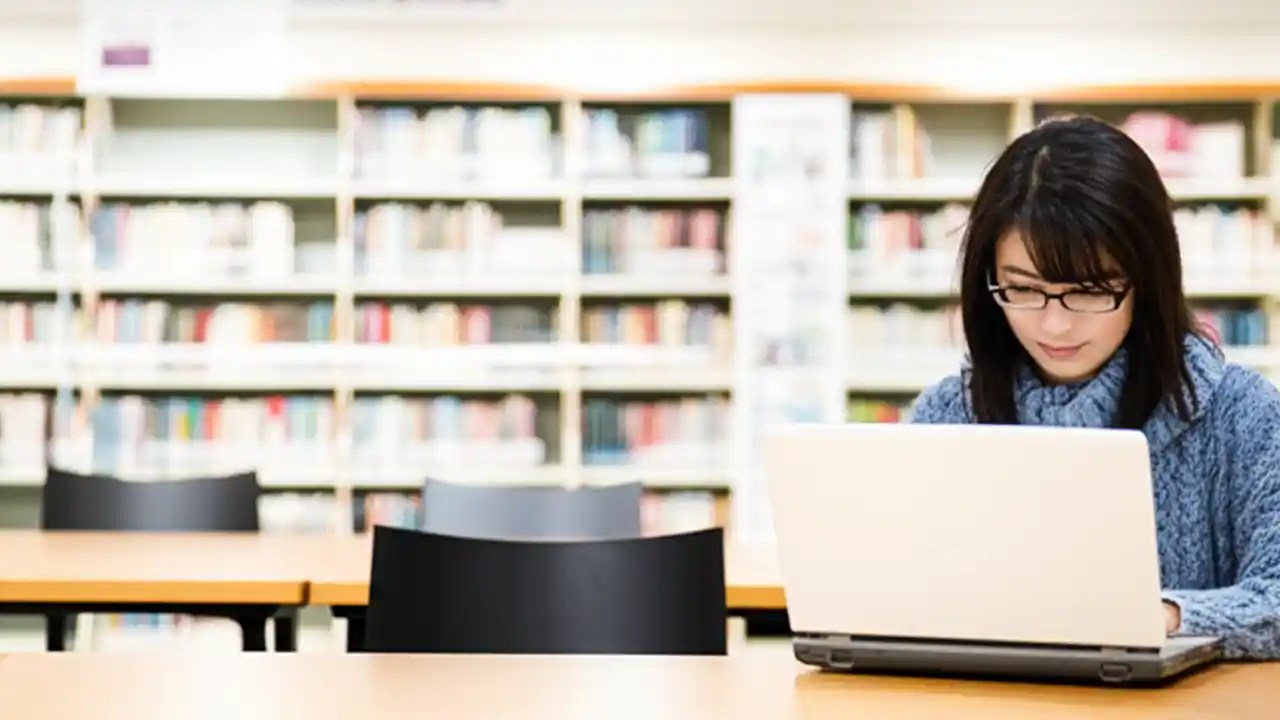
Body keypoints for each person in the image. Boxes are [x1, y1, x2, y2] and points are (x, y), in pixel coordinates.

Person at [909, 115, 1280, 660]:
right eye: (1023, 289)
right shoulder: (946, 415)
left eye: (1090, 291)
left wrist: (1165, 618)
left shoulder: (1245, 415)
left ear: (1147, 278)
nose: (1054, 325)